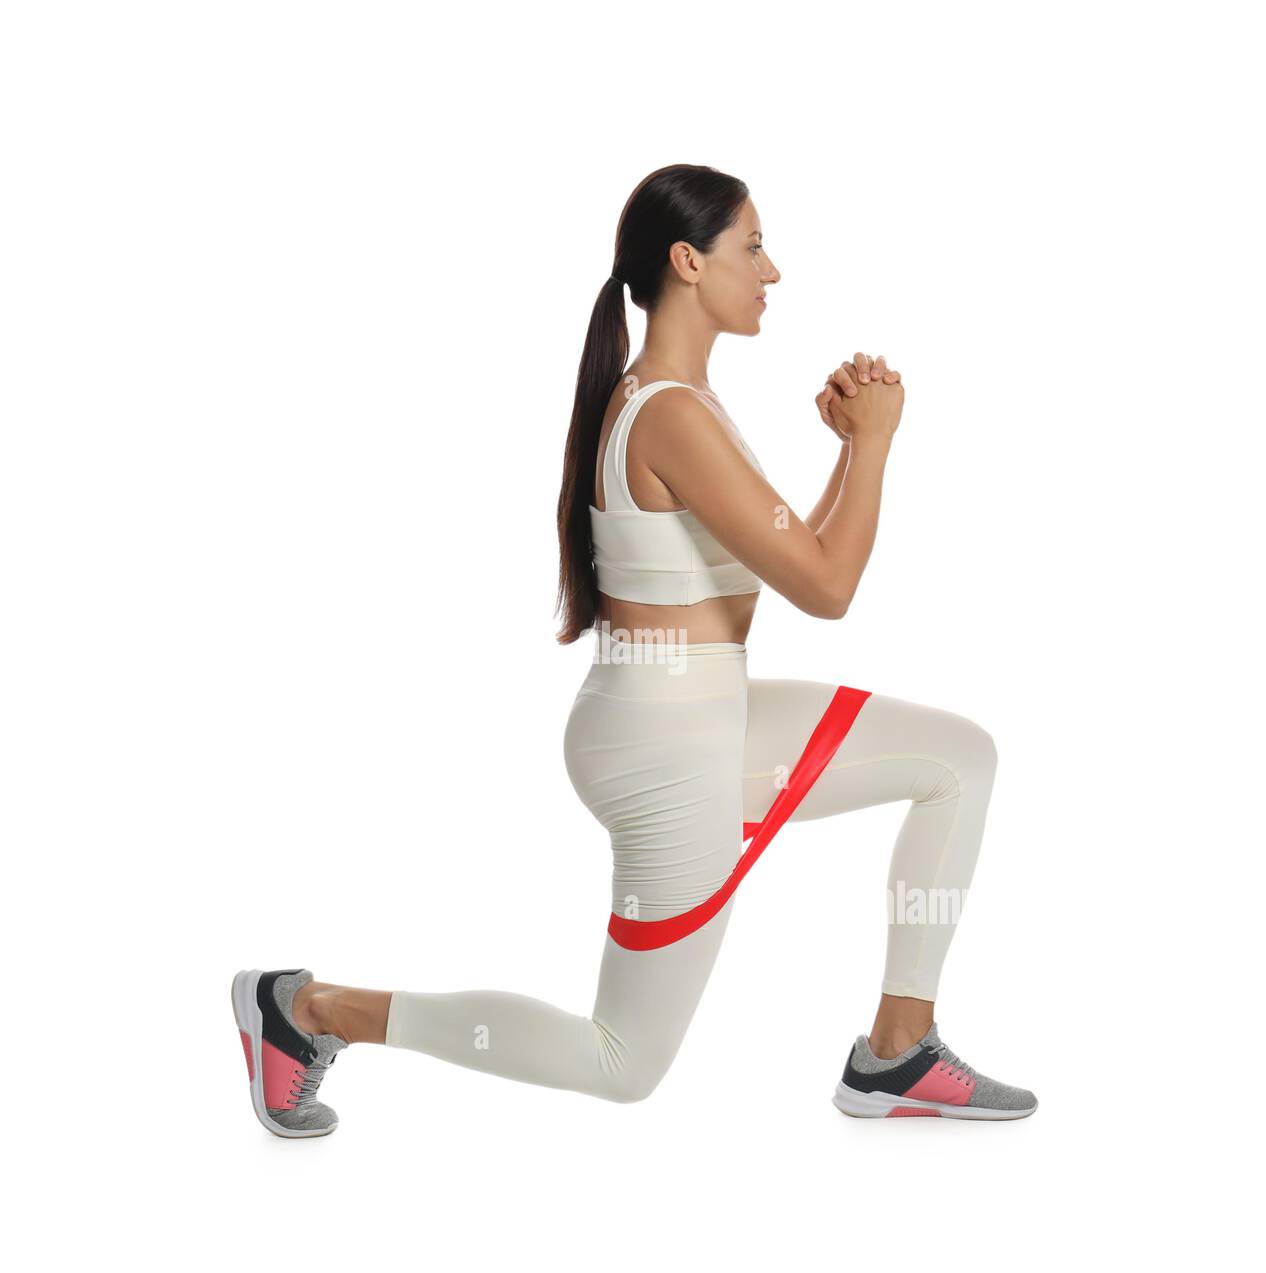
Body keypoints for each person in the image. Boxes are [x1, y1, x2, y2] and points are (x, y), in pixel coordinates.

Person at [231, 163, 1037, 1138]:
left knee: (959, 757)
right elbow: (828, 589)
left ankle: (899, 1048)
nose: (771, 268)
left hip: (694, 715)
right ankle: (308, 1010)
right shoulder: (672, 414)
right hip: (667, 751)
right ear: (688, 261)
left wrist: (845, 452)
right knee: (623, 1062)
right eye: (752, 246)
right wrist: (873, 446)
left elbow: (794, 563)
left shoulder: (674, 400)